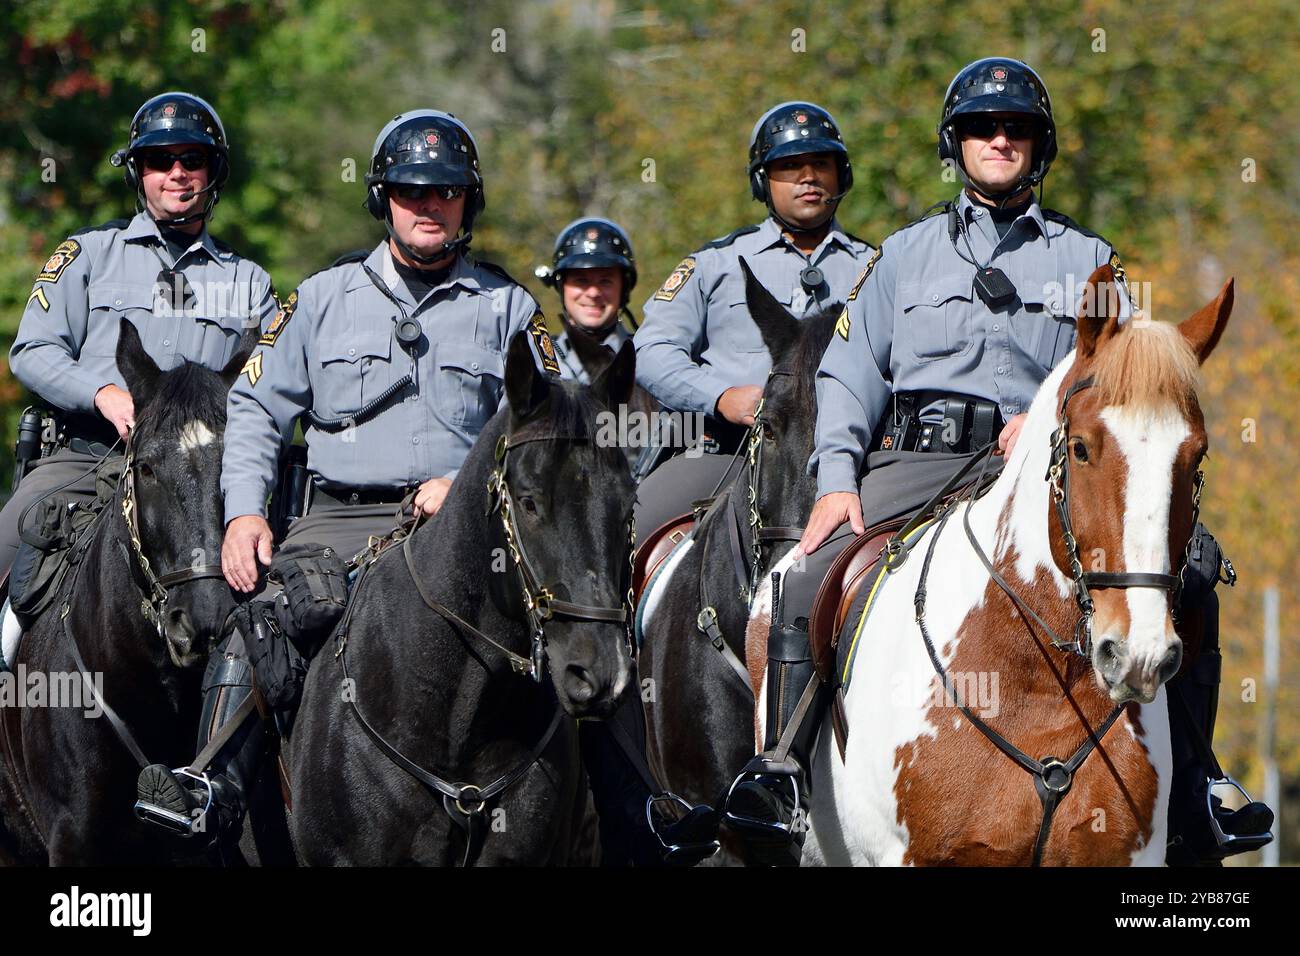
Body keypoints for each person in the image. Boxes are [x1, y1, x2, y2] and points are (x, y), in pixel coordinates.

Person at [729, 57, 1272, 867]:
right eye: (982, 127)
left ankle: (1196, 784)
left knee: (1192, 568)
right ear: (957, 144)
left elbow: (1113, 375)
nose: (999, 138)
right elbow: (846, 377)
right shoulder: (901, 257)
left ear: (1039, 147)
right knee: (798, 580)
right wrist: (837, 481)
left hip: (1049, 472)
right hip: (919, 459)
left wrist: (1049, 410)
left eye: (1016, 127)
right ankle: (781, 776)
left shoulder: (1092, 261)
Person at [134, 109, 560, 852]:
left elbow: (556, 427)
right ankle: (213, 783)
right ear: (382, 199)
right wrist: (243, 515)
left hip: (470, 527)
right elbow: (257, 408)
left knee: (572, 625)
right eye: (411, 192)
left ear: (469, 202)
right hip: (342, 521)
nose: (430, 206)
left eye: (447, 193)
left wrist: (465, 483)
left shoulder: (509, 307)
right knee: (259, 622)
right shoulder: (319, 299)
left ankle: (615, 803)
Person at [2, 92, 276, 580]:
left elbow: (272, 387)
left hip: (198, 481)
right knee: (5, 548)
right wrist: (100, 393)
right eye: (158, 160)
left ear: (214, 173)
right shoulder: (87, 253)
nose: (177, 172)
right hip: (88, 462)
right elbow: (31, 351)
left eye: (192, 159)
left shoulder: (249, 282)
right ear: (137, 172)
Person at [631, 101, 874, 537]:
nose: (808, 176)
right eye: (790, 165)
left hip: (844, 465)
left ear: (842, 175)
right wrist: (720, 396)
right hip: (724, 455)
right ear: (763, 181)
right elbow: (650, 351)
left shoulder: (875, 267)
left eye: (821, 163)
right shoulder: (715, 263)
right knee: (636, 532)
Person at [539, 217, 638, 385]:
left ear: (624, 288)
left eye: (605, 281)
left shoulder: (648, 357)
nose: (593, 293)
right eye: (581, 281)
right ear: (560, 286)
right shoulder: (537, 359)